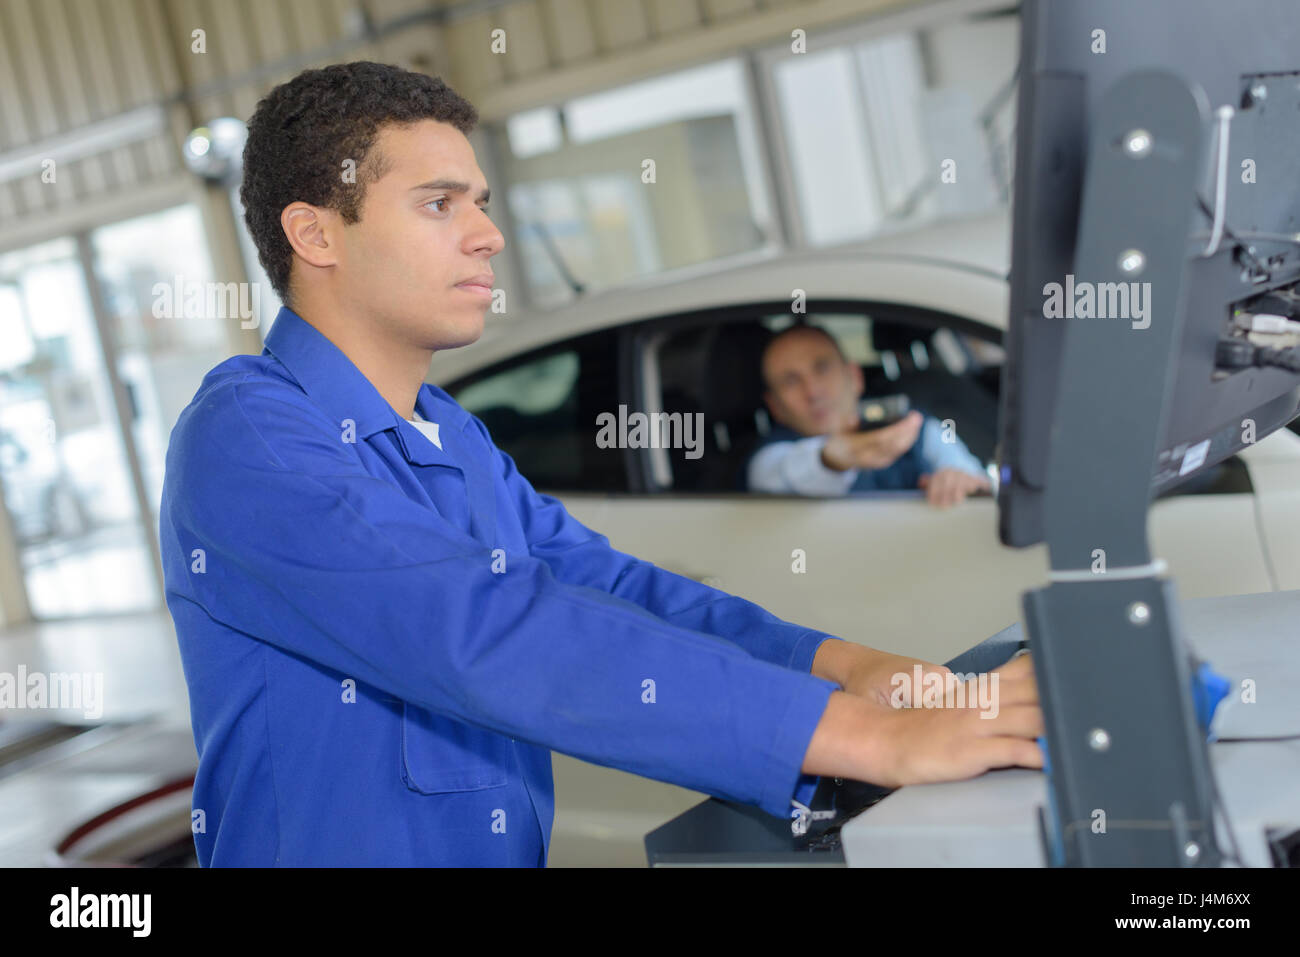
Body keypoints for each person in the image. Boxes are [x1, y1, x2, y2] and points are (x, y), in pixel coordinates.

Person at [159, 61, 1043, 867]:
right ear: (316, 234)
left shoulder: (449, 433)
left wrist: (850, 668)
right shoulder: (248, 439)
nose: (488, 235)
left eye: (482, 201)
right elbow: (486, 630)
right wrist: (872, 740)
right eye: (440, 204)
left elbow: (612, 589)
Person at [748, 324, 992, 507]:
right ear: (775, 407)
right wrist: (835, 457)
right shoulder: (767, 460)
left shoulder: (913, 426)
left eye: (822, 368)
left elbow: (974, 479)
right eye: (791, 381)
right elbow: (782, 477)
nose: (812, 392)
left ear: (855, 376)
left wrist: (959, 482)